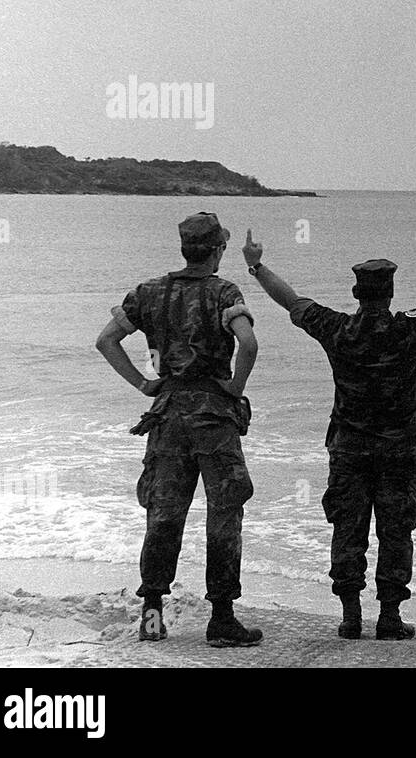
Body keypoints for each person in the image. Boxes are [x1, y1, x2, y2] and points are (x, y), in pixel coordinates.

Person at [242, 228, 416, 640]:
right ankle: (389, 616)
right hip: (401, 449)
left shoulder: (335, 327)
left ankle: (351, 616)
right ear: (390, 294)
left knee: (347, 528)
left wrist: (256, 265)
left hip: (349, 448)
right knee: (396, 528)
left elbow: (289, 300)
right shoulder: (409, 328)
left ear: (356, 293)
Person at [95, 212, 261, 647]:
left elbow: (106, 341)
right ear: (218, 249)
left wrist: (145, 384)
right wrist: (234, 387)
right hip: (213, 418)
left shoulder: (149, 292)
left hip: (167, 415)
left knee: (163, 516)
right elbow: (248, 343)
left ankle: (151, 616)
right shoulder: (224, 292)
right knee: (224, 514)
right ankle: (222, 618)